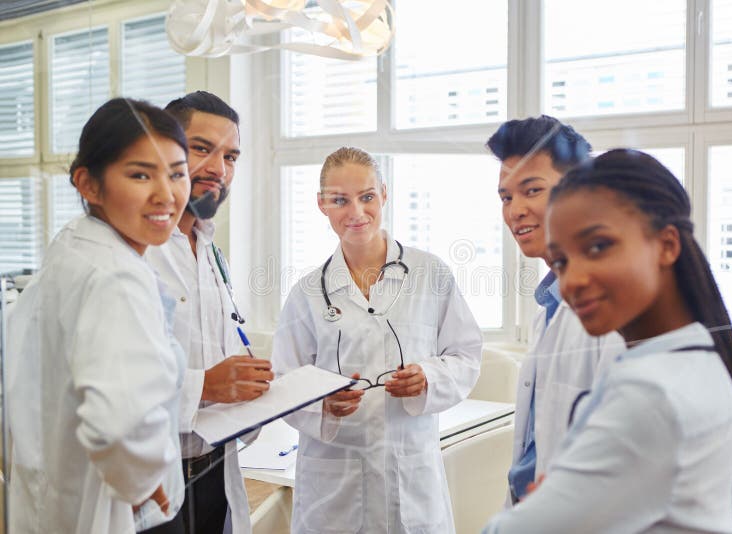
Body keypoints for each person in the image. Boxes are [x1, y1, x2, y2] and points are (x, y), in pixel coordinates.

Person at [483, 149, 732, 533]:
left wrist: (554, 503)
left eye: (598, 247)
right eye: (561, 261)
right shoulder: (695, 358)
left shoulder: (651, 393)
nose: (573, 280)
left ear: (666, 244)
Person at [271, 147, 482, 533]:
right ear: (322, 204)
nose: (356, 212)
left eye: (367, 196)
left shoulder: (430, 273)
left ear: (384, 193)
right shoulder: (307, 293)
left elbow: (466, 354)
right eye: (340, 200)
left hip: (411, 471)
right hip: (335, 486)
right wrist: (323, 403)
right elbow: (284, 381)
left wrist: (428, 377)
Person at [6, 98, 190, 533]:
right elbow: (120, 422)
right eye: (140, 174)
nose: (166, 194)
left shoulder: (74, 245)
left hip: (55, 492)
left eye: (177, 173)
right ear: (88, 184)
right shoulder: (116, 277)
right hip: (119, 510)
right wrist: (143, 480)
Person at [145, 91, 273, 534]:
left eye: (231, 156)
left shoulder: (212, 253)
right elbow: (96, 377)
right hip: (150, 480)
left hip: (215, 468)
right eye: (202, 149)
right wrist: (205, 385)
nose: (220, 169)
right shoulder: (134, 252)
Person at [487, 116, 625, 504]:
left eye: (532, 190)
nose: (515, 211)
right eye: (506, 197)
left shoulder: (614, 310)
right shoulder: (548, 304)